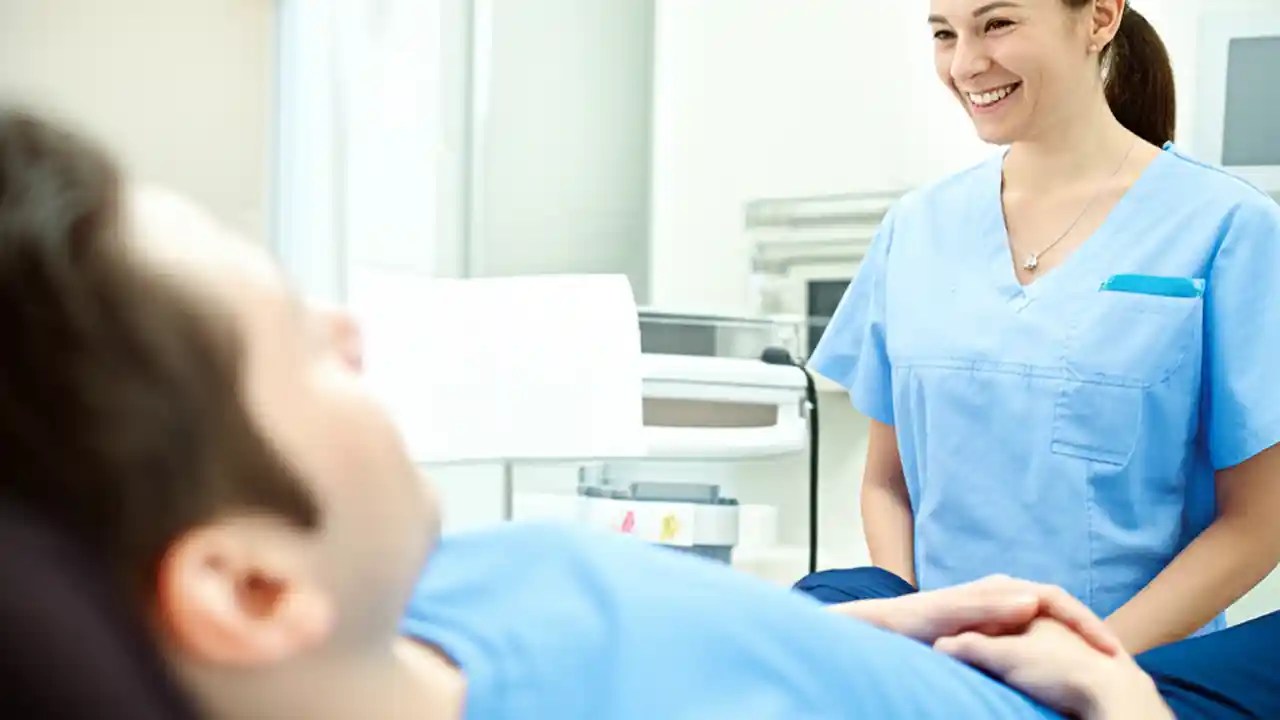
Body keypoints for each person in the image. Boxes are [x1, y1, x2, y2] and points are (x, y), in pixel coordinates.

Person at [0, 111, 1271, 719]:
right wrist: (1122, 708)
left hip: (924, 635)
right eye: (296, 343)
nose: (356, 331)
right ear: (256, 591)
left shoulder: (413, 592)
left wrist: (884, 620)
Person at [799, 0, 1280, 656]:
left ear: (1101, 17)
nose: (966, 64)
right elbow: (888, 481)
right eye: (945, 34)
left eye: (997, 24)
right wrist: (911, 633)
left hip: (1131, 677)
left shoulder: (1227, 227)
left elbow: (1259, 521)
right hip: (947, 679)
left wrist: (1085, 663)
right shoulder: (915, 229)